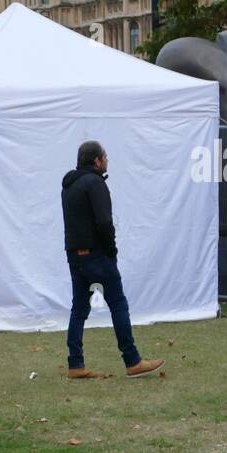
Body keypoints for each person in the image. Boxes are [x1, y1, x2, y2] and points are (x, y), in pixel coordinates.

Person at [62, 141, 163, 379]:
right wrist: (111, 251)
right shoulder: (95, 183)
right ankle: (133, 361)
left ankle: (75, 364)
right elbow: (105, 223)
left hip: (74, 255)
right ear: (97, 160)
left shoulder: (69, 186)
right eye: (105, 156)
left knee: (79, 308)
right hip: (97, 256)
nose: (107, 160)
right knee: (118, 304)